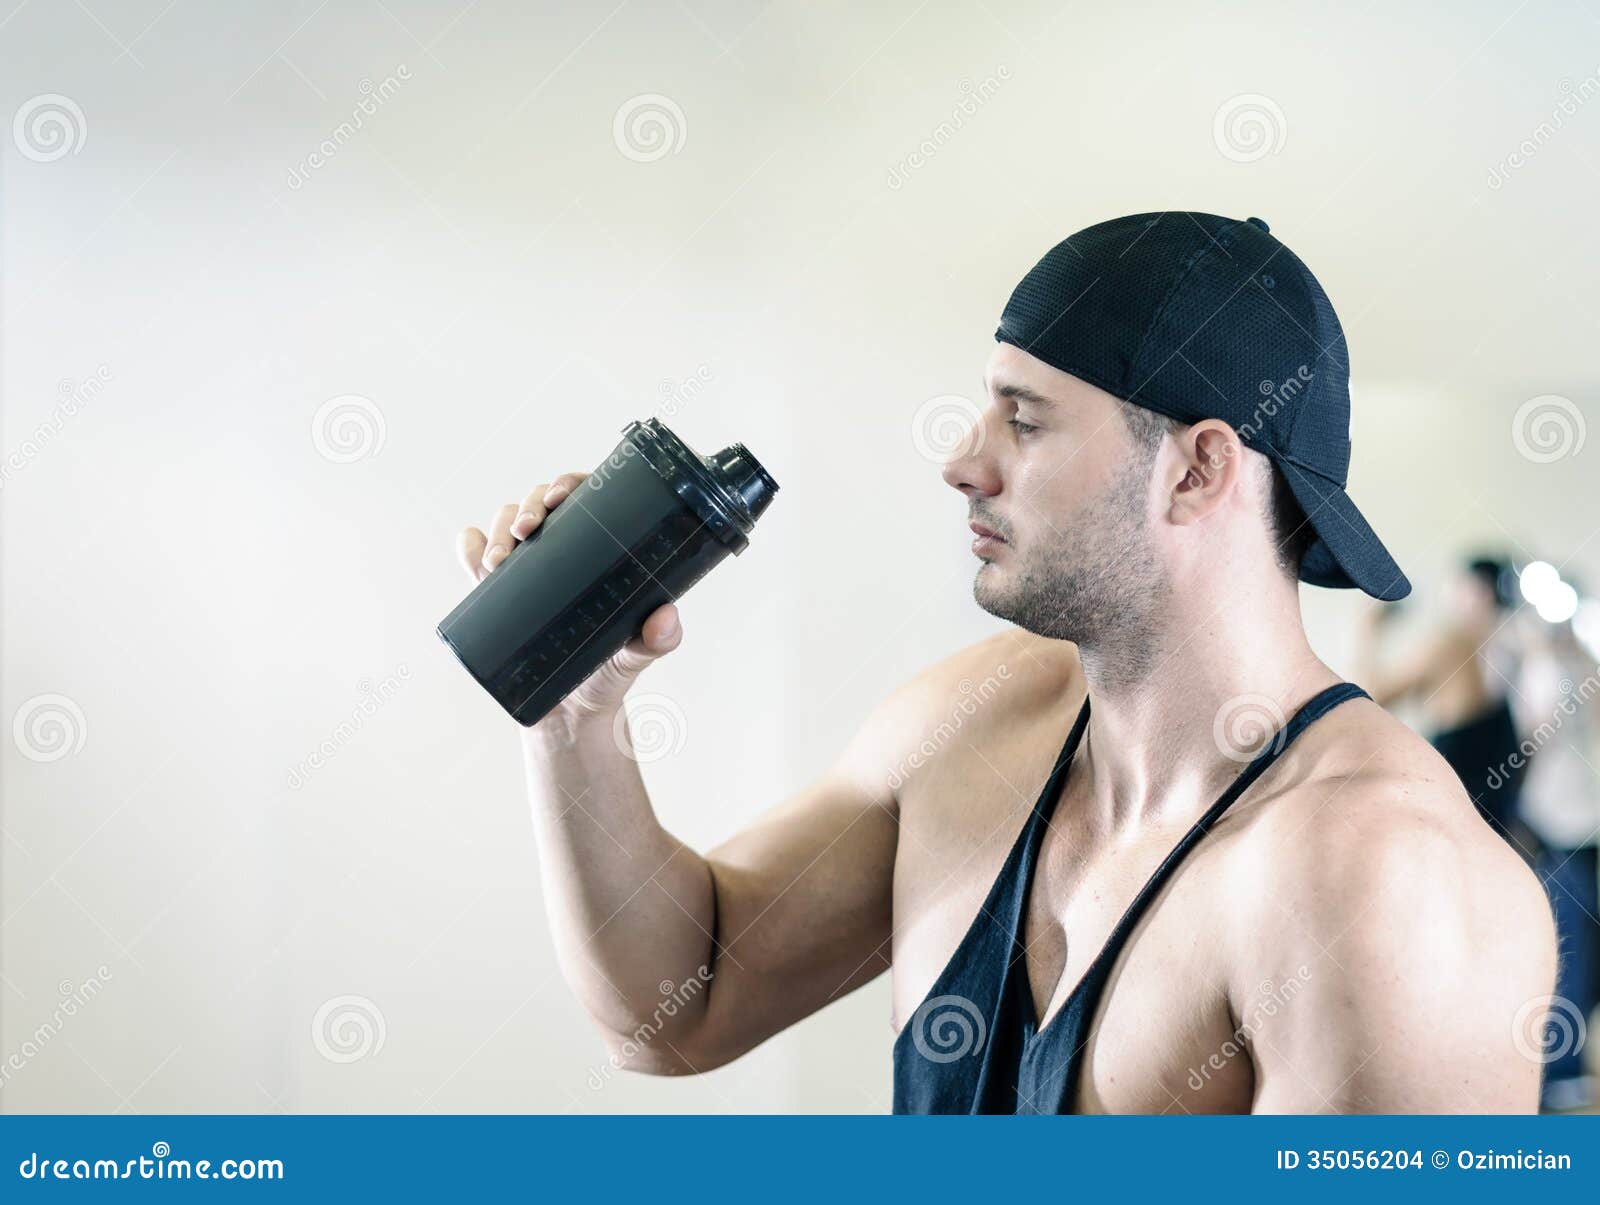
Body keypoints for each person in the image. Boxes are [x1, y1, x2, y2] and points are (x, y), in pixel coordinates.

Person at [455, 212, 1555, 1113]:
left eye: (1022, 420)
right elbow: (674, 1007)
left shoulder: (1381, 885)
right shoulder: (974, 724)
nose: (961, 461)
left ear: (1195, 470)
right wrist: (574, 712)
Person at [1353, 557, 1531, 848]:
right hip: (1501, 821)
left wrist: (1369, 629)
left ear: (1479, 592)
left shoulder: (1451, 643)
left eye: (1456, 587)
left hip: (1457, 822)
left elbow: (1371, 698)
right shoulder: (1515, 648)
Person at [1510, 600, 1600, 1110]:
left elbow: (1528, 742)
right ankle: (1561, 1065)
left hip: (1561, 825)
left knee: (1565, 944)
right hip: (1573, 825)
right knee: (1575, 941)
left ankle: (1560, 1068)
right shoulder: (1575, 662)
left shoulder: (1553, 665)